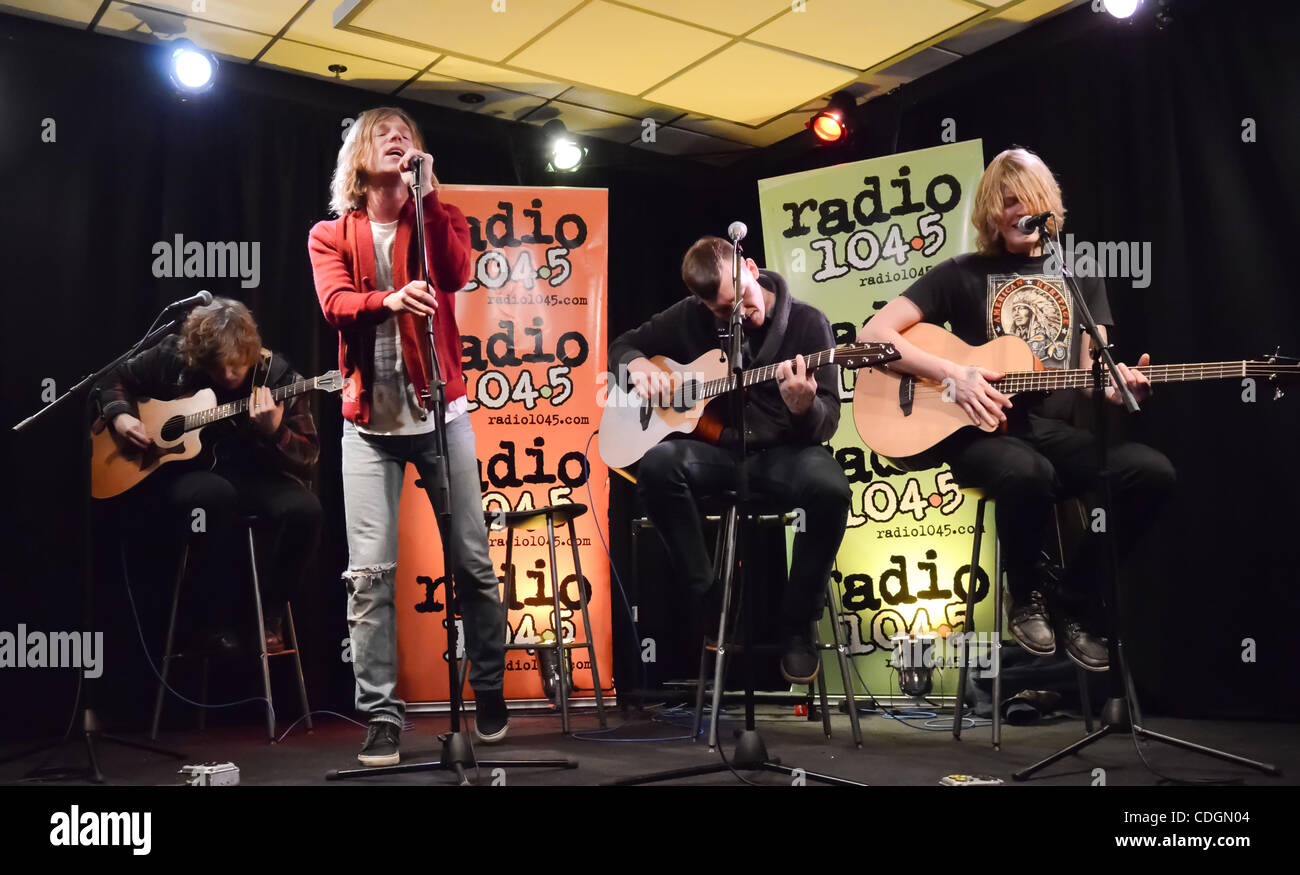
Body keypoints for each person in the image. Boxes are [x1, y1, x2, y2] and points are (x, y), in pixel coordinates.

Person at [858, 148, 1176, 670]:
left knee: (1150, 473)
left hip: (1048, 428)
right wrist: (952, 372)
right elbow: (874, 336)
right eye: (1008, 200)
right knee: (1028, 472)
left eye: (1030, 199)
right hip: (977, 435)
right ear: (991, 210)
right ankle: (1023, 593)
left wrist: (1116, 388)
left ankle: (1073, 600)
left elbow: (1091, 370)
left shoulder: (1079, 274)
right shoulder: (960, 273)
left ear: (1048, 205)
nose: (1020, 209)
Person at [308, 106, 508, 766]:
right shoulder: (332, 234)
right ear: (358, 157)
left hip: (441, 415)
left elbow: (453, 273)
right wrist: (388, 301)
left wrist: (432, 201)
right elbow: (335, 305)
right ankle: (382, 716)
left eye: (408, 136)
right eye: (384, 134)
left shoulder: (433, 216)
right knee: (368, 576)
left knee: (474, 562)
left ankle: (486, 685)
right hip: (369, 429)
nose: (399, 140)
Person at [609, 236, 851, 683]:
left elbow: (827, 423)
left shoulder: (807, 324)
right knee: (660, 466)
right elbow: (623, 345)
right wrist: (637, 366)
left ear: (752, 269)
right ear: (703, 304)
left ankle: (798, 623)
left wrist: (804, 408)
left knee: (831, 490)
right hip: (719, 453)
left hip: (784, 454)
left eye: (741, 299)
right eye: (724, 311)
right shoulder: (689, 318)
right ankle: (709, 603)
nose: (738, 315)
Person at [99, 297, 322, 655]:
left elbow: (308, 456)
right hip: (186, 470)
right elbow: (113, 378)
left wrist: (275, 431)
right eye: (217, 369)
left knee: (305, 511)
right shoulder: (175, 354)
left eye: (235, 366)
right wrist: (121, 416)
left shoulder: (278, 376)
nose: (229, 376)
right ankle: (210, 620)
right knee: (214, 497)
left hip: (255, 474)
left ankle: (269, 615)